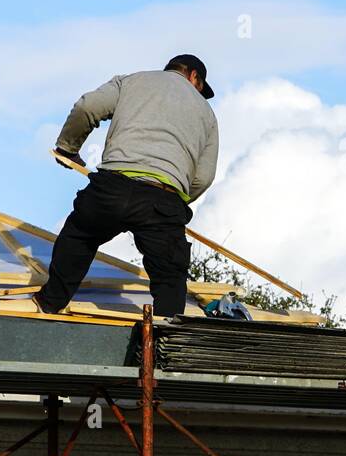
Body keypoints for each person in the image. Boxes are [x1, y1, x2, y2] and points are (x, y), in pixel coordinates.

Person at [35, 54, 219, 318]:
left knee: (79, 236)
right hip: (163, 198)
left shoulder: (131, 82)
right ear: (194, 77)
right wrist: (174, 201)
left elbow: (88, 107)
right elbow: (205, 176)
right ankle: (163, 343)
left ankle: (49, 302)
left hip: (112, 187)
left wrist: (68, 148)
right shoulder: (207, 115)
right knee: (169, 278)